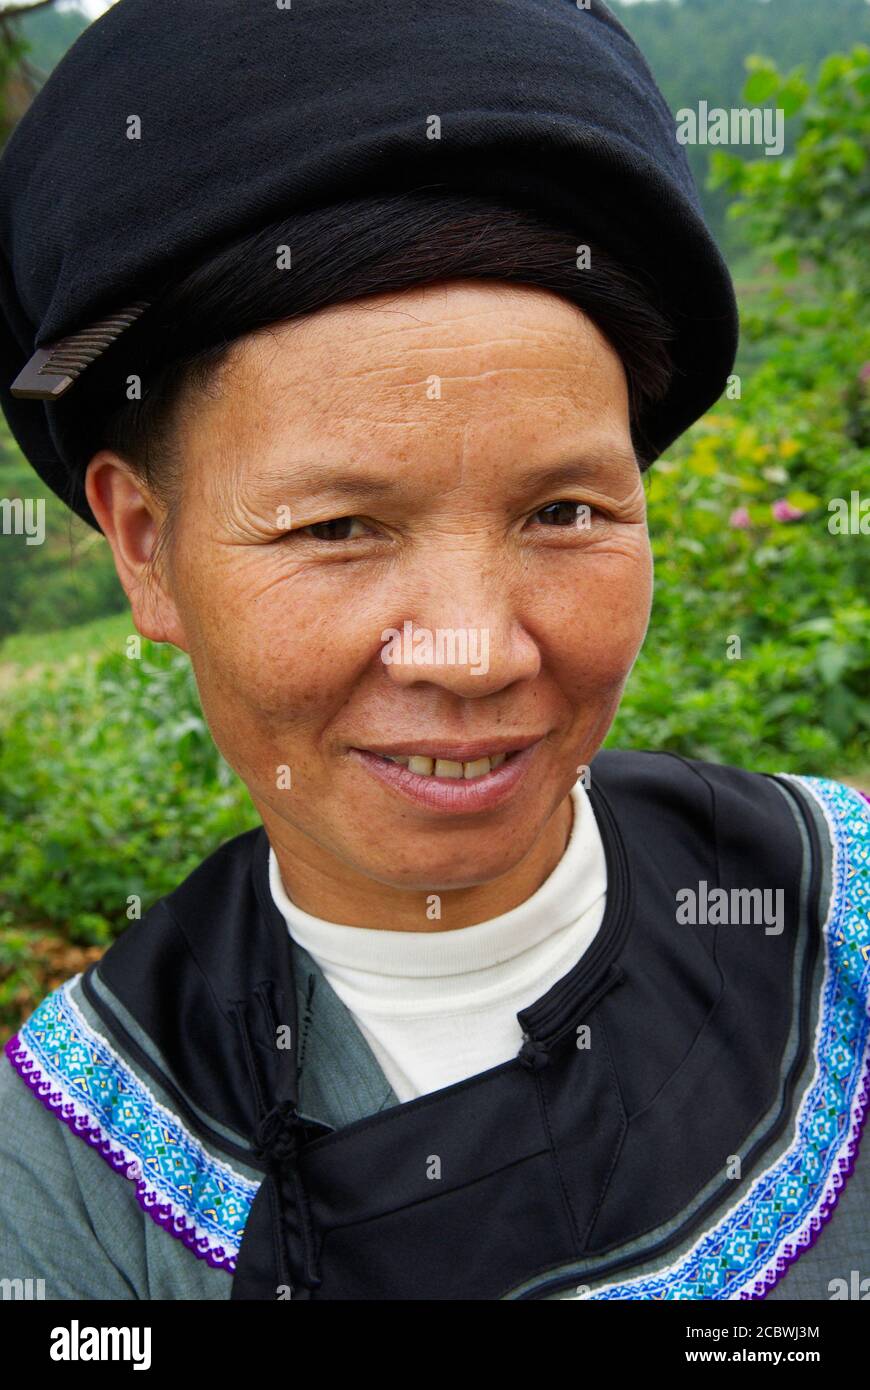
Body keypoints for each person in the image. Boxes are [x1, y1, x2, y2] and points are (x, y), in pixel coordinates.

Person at [0, 0, 866, 1301]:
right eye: (338, 525)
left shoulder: (839, 915)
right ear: (143, 544)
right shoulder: (70, 1185)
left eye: (562, 511)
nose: (472, 653)